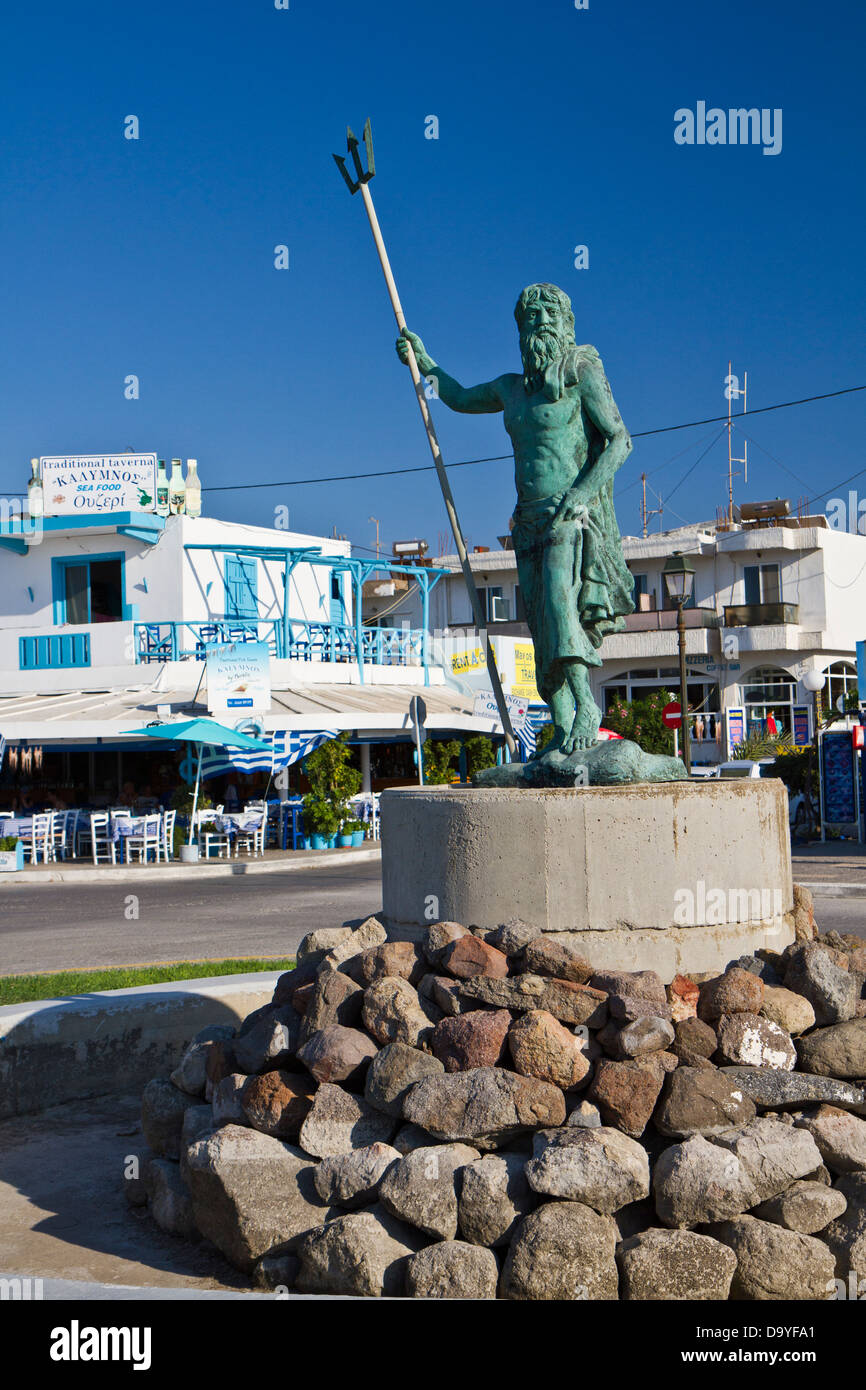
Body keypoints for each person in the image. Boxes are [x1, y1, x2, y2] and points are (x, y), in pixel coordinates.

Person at [397, 282, 634, 755]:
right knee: (540, 626)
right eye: (531, 319)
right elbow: (461, 397)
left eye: (550, 317)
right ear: (520, 330)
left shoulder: (580, 373)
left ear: (567, 326)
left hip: (568, 514)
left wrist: (582, 496)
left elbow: (620, 440)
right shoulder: (510, 388)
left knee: (559, 606)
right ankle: (564, 726)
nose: (540, 325)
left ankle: (588, 706)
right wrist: (424, 363)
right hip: (525, 520)